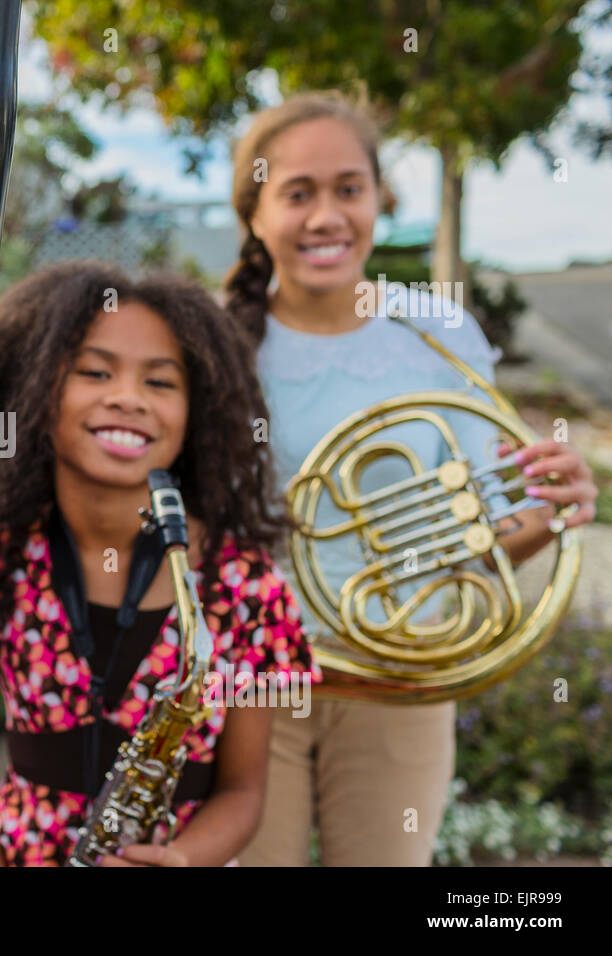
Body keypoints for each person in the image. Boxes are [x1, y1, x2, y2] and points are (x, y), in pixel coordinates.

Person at [223, 91, 599, 867]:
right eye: (298, 194)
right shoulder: (220, 344)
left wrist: (556, 509)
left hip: (402, 681)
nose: (327, 215)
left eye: (348, 189)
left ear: (379, 199)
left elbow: (495, 528)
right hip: (254, 687)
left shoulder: (437, 329)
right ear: (254, 214)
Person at [0, 261, 320, 867]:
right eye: (95, 372)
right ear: (39, 387)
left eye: (161, 382)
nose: (127, 398)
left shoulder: (247, 586)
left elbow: (243, 790)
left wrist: (180, 860)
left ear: (196, 411)